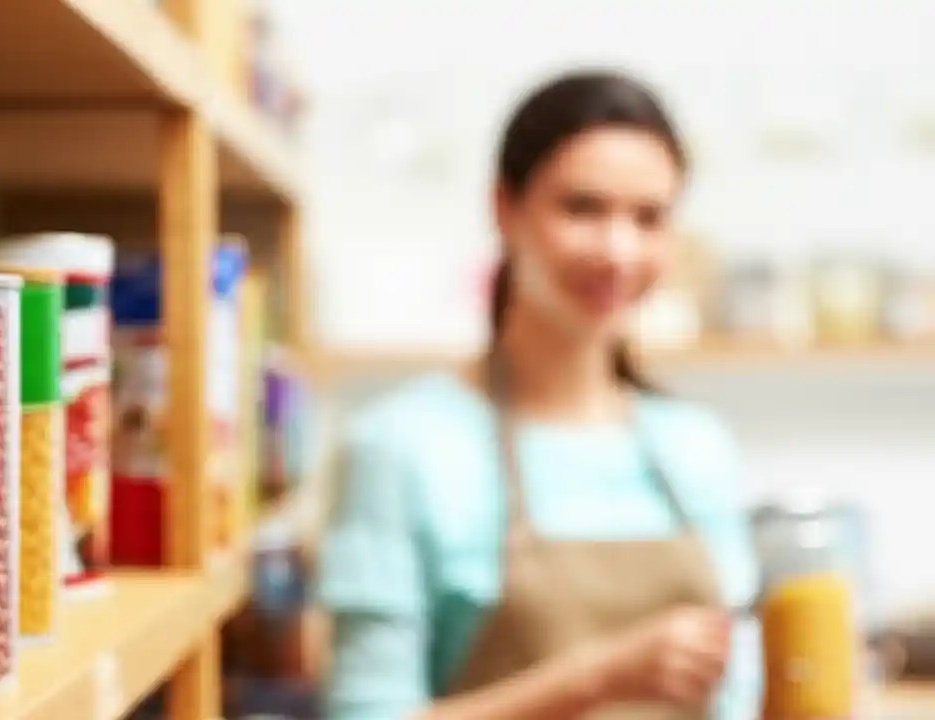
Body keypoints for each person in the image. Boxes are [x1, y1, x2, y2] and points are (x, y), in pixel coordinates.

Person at [318, 71, 761, 720]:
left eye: (649, 218)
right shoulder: (400, 448)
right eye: (582, 208)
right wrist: (597, 677)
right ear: (504, 209)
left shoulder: (697, 447)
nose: (618, 249)